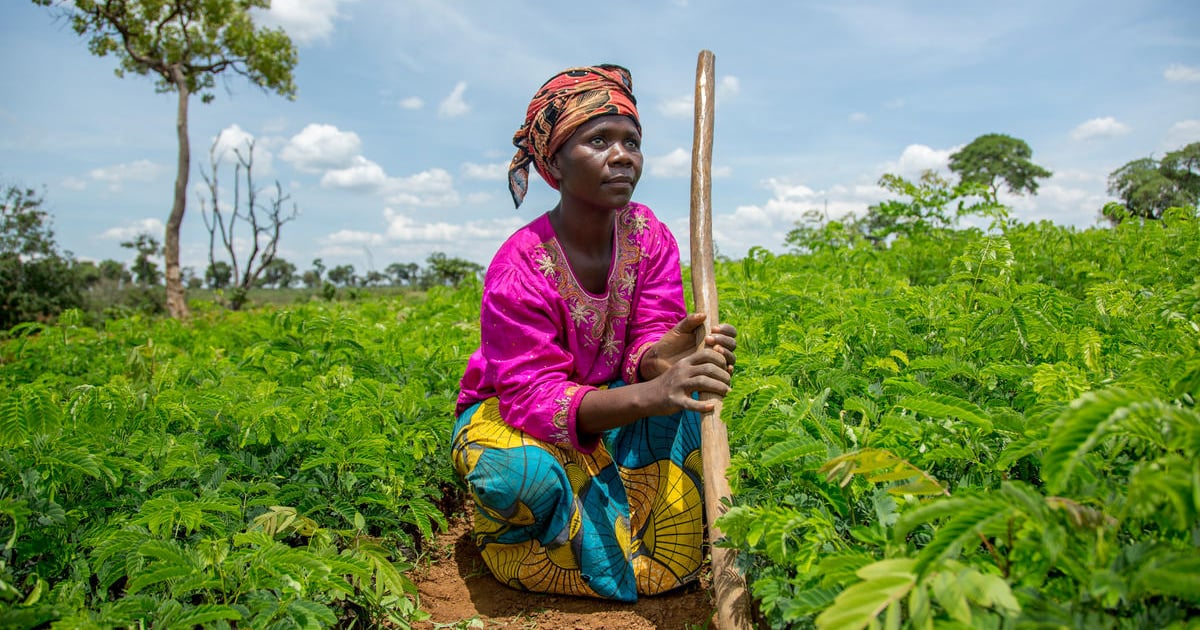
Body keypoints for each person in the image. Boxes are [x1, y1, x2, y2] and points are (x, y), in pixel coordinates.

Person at [451, 64, 737, 603]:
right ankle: (533, 551)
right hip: (519, 416)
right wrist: (648, 394)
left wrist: (667, 361)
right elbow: (531, 398)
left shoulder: (648, 236)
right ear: (554, 161)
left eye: (632, 141)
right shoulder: (518, 267)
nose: (623, 154)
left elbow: (646, 345)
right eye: (599, 140)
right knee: (511, 471)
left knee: (688, 403)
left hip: (610, 403)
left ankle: (646, 544)